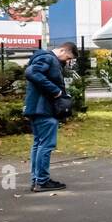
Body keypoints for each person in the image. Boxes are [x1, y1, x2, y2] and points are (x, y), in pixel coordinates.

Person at [23, 41, 79, 192]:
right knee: (46, 145)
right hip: (44, 109)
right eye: (68, 58)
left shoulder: (44, 57)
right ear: (62, 50)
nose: (67, 62)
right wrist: (56, 91)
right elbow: (31, 73)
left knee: (39, 144)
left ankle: (37, 180)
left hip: (36, 108)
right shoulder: (48, 58)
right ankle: (42, 181)